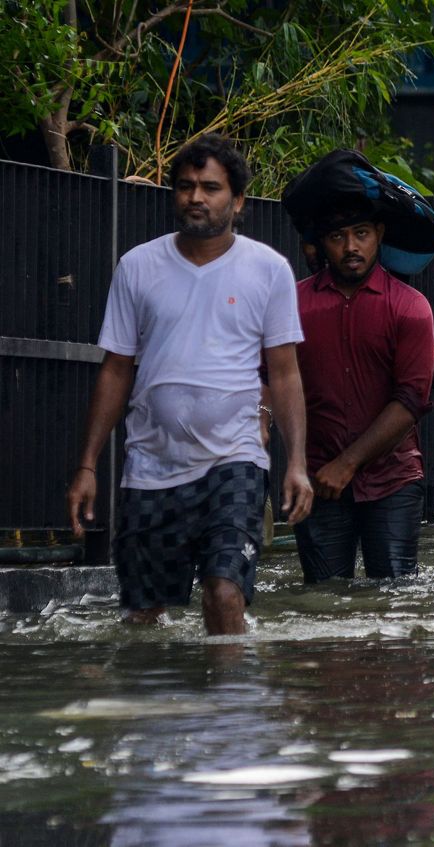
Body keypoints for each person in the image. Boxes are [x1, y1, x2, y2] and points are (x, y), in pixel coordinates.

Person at [65, 133, 313, 635]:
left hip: (234, 461)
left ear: (237, 200)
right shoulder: (138, 266)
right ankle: (163, 708)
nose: (196, 197)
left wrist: (298, 465)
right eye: (184, 186)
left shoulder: (268, 270)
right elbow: (116, 369)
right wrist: (88, 464)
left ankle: (230, 710)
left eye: (210, 187)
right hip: (151, 468)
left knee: (223, 592)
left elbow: (284, 373)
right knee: (142, 618)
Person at [287, 204, 434, 583]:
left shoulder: (410, 307)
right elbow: (269, 380)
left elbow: (410, 401)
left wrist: (348, 463)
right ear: (321, 243)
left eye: (361, 234)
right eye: (338, 237)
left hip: (393, 479)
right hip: (318, 479)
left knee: (394, 601)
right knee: (321, 604)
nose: (351, 246)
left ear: (380, 235)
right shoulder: (292, 305)